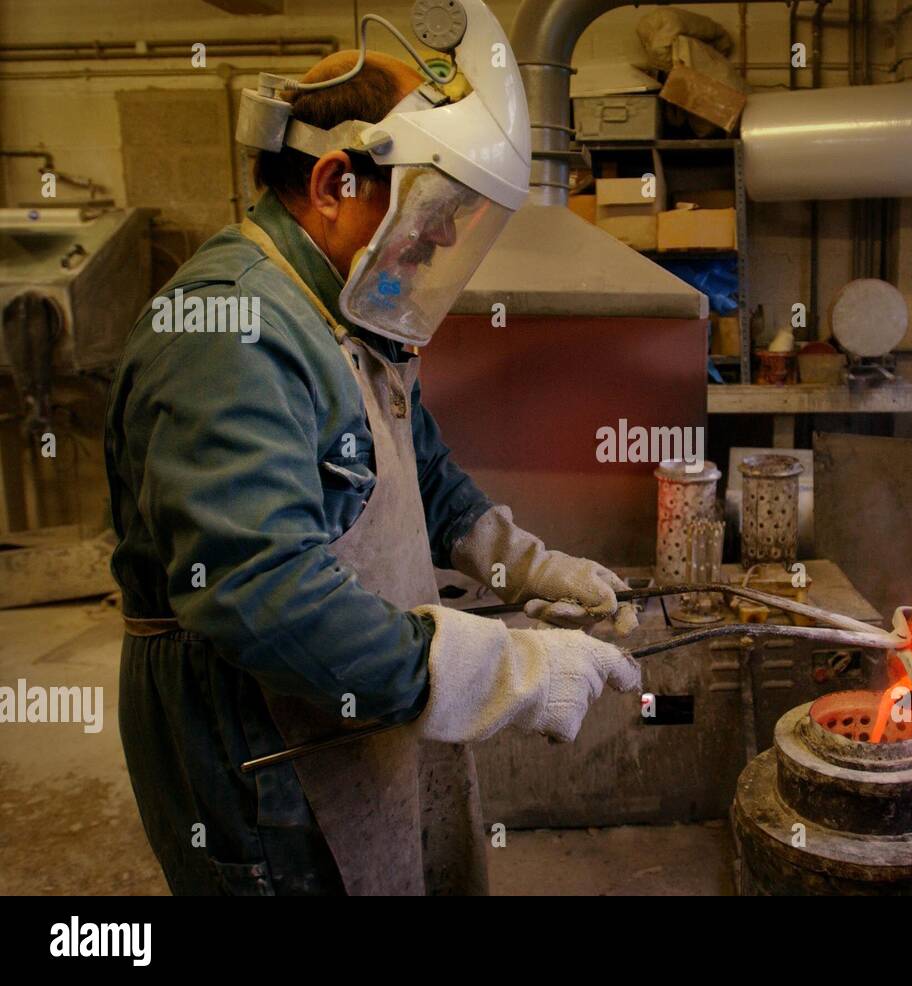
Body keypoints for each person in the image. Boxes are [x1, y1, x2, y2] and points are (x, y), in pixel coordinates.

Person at [104, 8, 640, 896]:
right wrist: (507, 666)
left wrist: (529, 569)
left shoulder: (341, 311)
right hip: (258, 745)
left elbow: (419, 471)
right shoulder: (232, 332)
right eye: (434, 207)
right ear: (333, 180)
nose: (436, 237)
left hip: (334, 705)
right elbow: (261, 592)